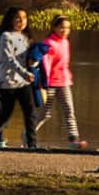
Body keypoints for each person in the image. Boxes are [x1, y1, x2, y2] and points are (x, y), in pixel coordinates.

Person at [0, 7, 38, 148]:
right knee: (5, 115)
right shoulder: (6, 37)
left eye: (24, 18)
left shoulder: (26, 38)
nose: (21, 21)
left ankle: (32, 144)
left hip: (23, 82)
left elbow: (30, 59)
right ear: (11, 20)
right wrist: (25, 73)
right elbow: (9, 59)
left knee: (30, 113)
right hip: (8, 82)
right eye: (18, 18)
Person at [31, 15, 87, 148]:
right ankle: (29, 133)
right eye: (62, 27)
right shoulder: (49, 43)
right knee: (45, 113)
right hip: (50, 84)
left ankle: (74, 140)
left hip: (64, 82)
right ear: (54, 27)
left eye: (67, 28)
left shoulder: (66, 42)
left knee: (69, 110)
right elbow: (46, 65)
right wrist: (43, 85)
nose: (65, 30)